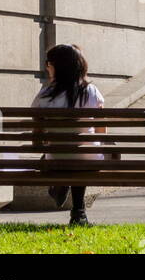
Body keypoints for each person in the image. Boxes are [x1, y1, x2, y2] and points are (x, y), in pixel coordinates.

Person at [32, 43, 104, 227]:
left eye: (48, 63)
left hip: (57, 157)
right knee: (84, 153)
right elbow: (101, 131)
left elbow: (36, 135)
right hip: (88, 158)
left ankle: (60, 185)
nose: (47, 67)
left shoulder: (45, 94)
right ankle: (79, 211)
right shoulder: (91, 91)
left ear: (56, 67)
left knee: (61, 154)